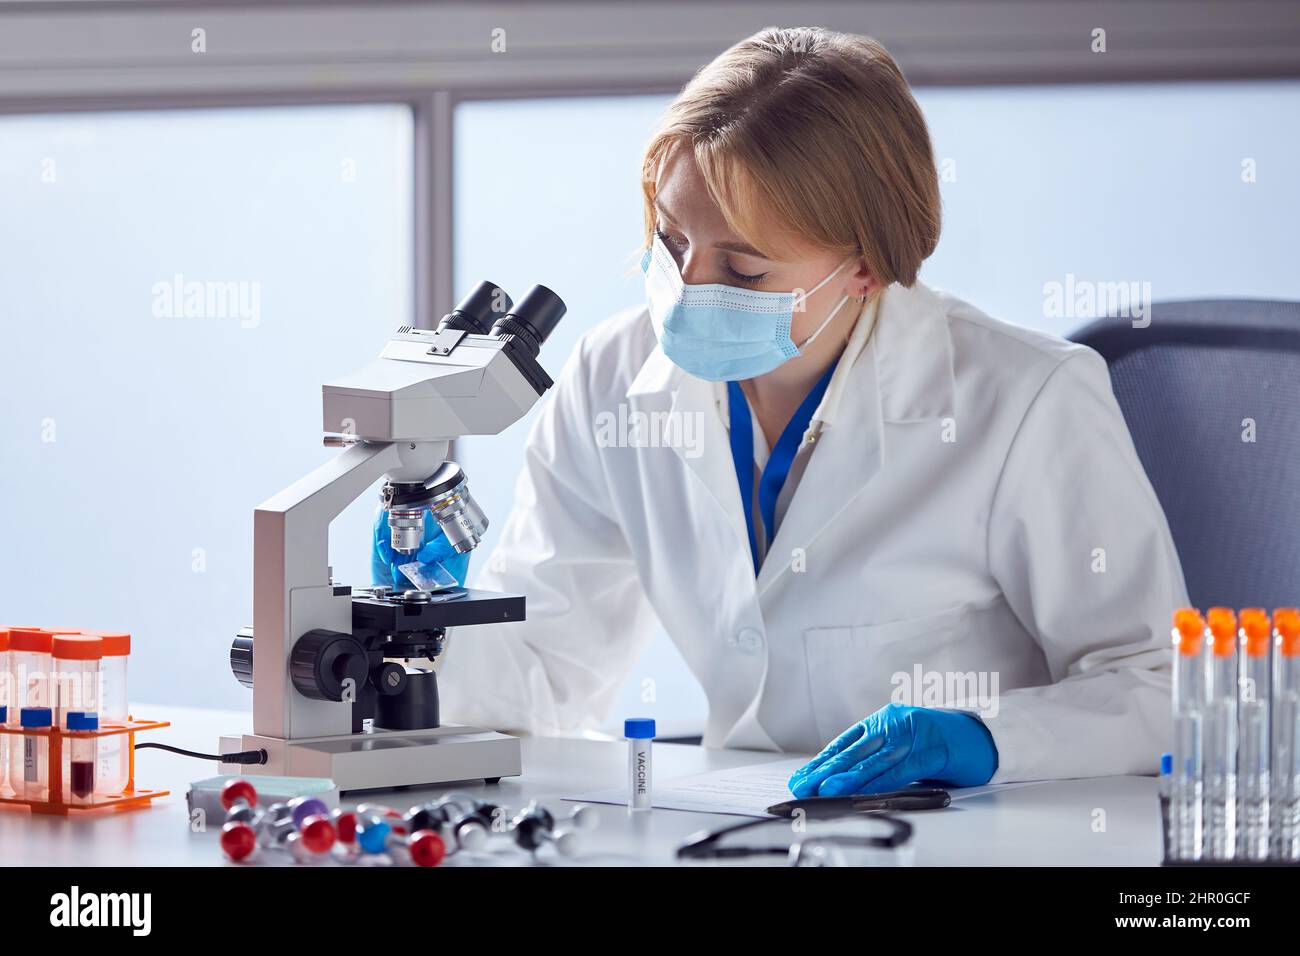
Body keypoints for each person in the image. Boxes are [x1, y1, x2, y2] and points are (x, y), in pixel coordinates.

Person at [372, 27, 1187, 796]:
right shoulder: (612, 377)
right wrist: (414, 641)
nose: (687, 290)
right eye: (672, 240)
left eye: (746, 269)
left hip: (967, 836)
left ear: (867, 266)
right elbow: (548, 664)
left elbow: (1161, 689)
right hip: (743, 823)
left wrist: (981, 737)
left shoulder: (1024, 400)